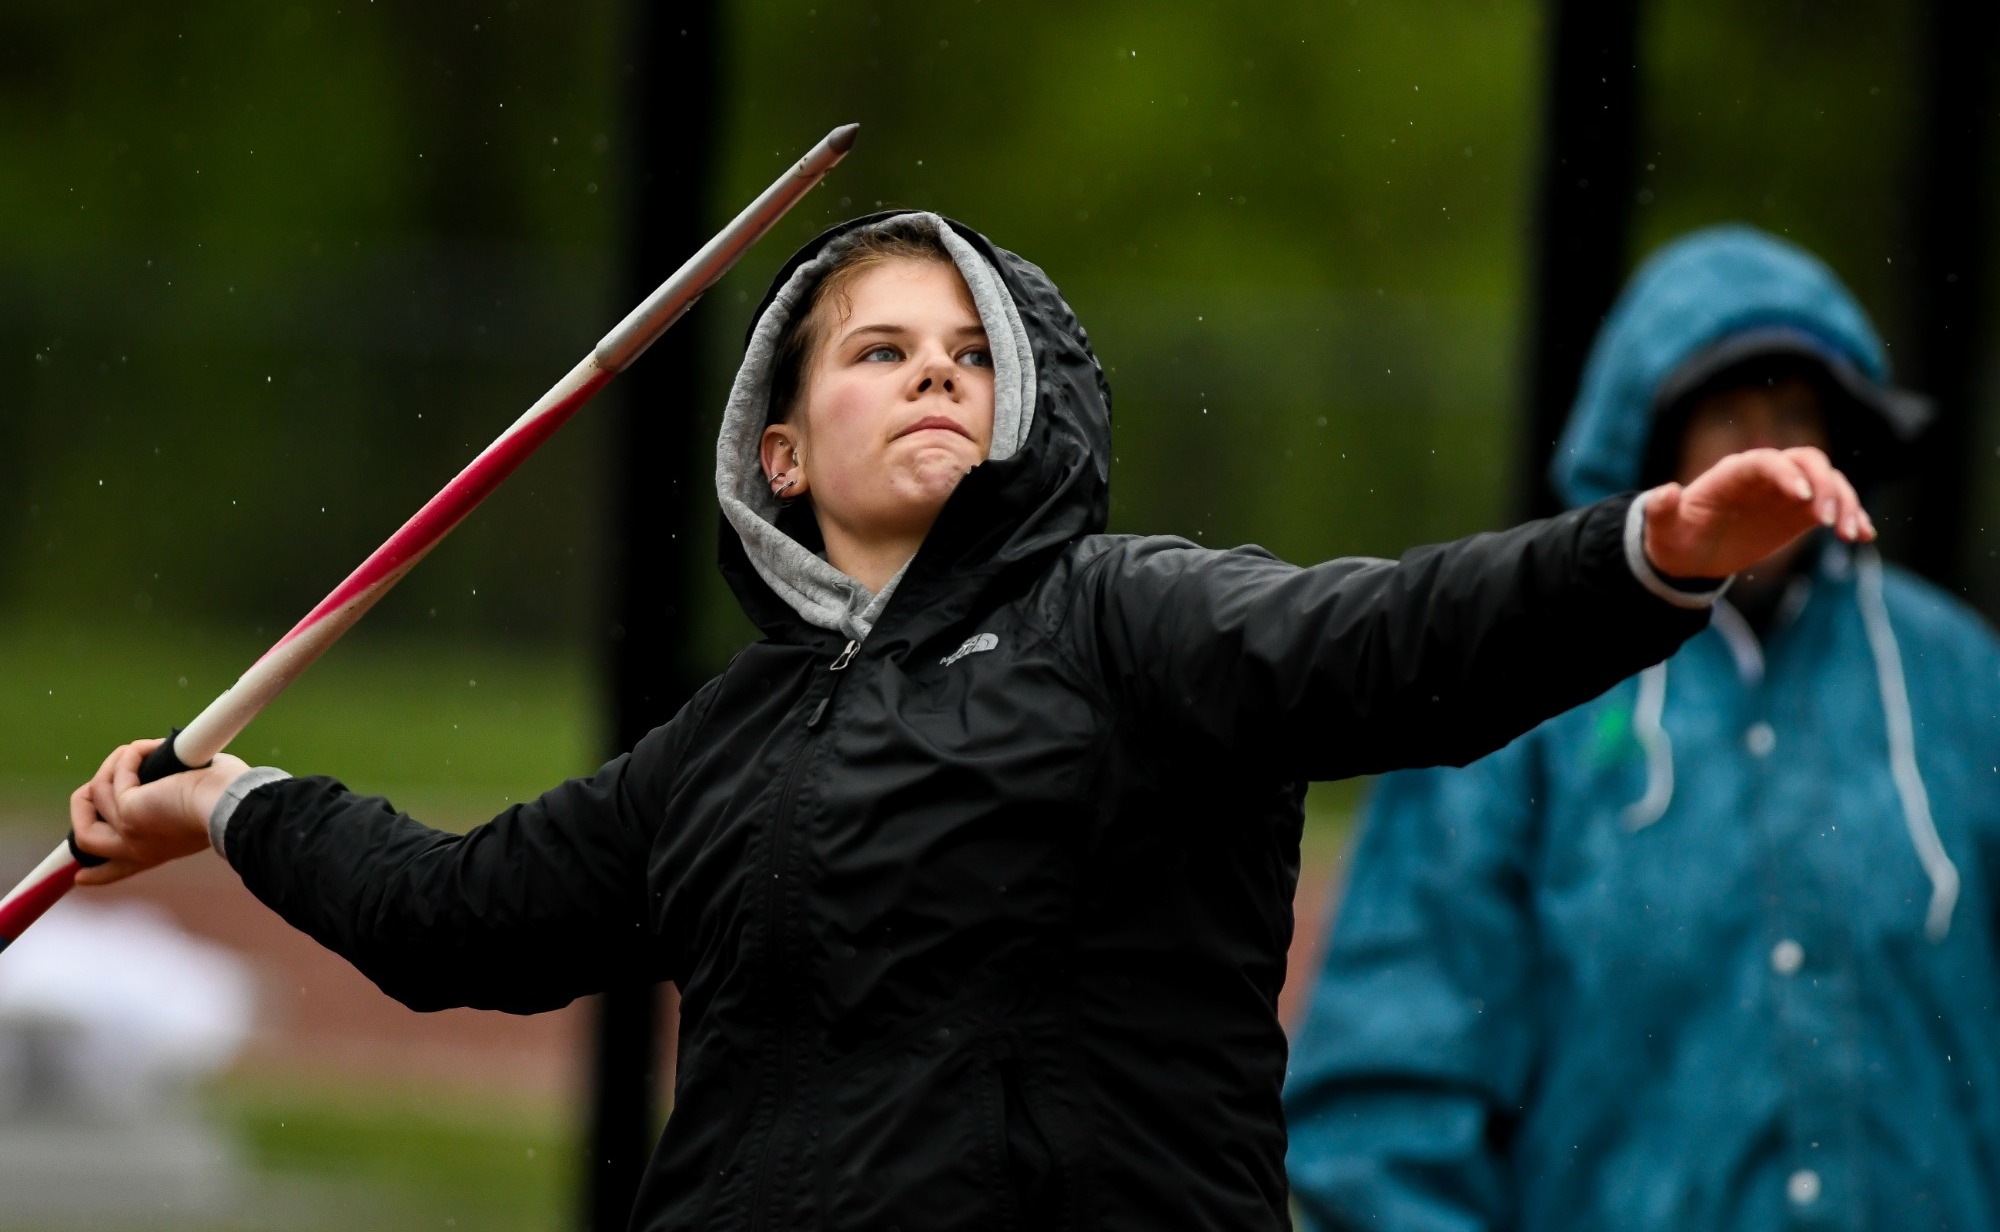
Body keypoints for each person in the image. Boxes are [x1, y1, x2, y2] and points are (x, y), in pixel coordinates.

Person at [72, 214, 1868, 1231]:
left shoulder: (1128, 615)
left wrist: (1648, 553)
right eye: (878, 349)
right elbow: (461, 921)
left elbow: (1391, 638)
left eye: (968, 348)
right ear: (780, 456)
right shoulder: (721, 742)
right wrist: (235, 806)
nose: (936, 366)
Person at [1283, 223, 1994, 1231]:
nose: (1767, 451)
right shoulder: (1518, 676)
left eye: (1796, 410)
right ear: (1650, 442)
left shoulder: (1958, 678)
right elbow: (1381, 1099)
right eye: (1725, 412)